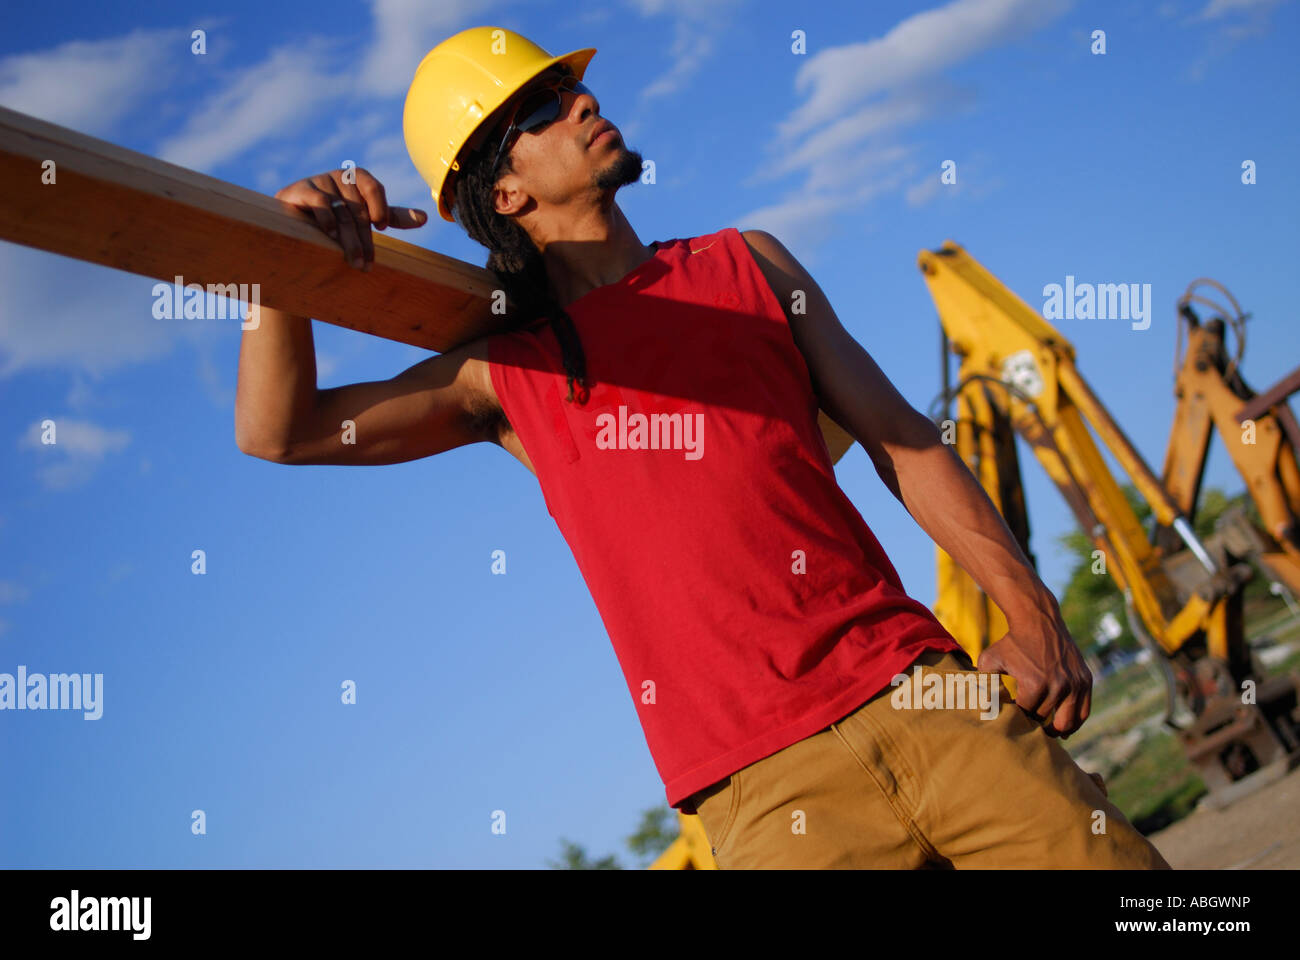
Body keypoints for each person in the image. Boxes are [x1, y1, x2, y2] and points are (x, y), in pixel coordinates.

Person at [236, 26, 1170, 869]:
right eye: (544, 109)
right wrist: (288, 255)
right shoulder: (506, 377)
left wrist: (1029, 607)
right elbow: (281, 431)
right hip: (766, 798)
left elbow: (905, 443)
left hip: (930, 702)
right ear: (504, 189)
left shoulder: (748, 266)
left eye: (576, 91)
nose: (587, 104)